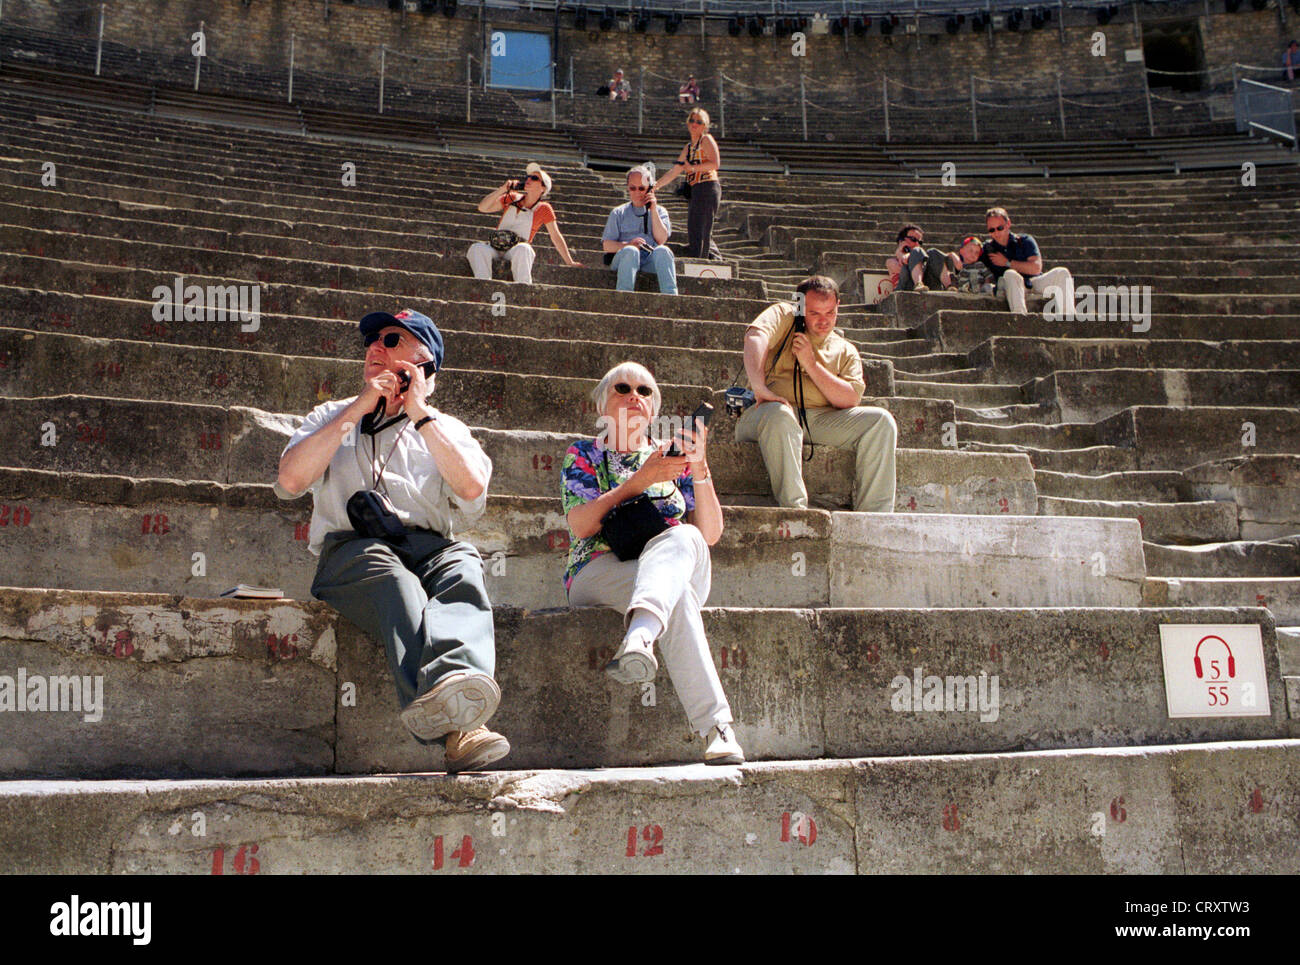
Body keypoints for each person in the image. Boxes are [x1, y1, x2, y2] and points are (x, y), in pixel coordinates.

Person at [276, 308, 509, 772]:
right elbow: (290, 480)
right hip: (352, 551)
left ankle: (456, 722)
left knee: (464, 563)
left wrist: (420, 413)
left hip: (429, 547)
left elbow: (470, 491)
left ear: (425, 367)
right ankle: (459, 723)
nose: (373, 348)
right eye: (370, 341)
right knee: (397, 583)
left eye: (390, 340)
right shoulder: (332, 415)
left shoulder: (446, 429)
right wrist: (359, 408)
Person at [561, 362, 744, 765]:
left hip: (670, 567)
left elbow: (710, 534)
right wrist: (637, 483)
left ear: (654, 409)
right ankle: (717, 728)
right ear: (602, 406)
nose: (634, 396)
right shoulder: (584, 453)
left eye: (645, 391)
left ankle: (640, 636)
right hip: (600, 571)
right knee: (673, 598)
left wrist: (699, 466)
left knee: (688, 535)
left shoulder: (668, 458)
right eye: (622, 388)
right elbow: (580, 524)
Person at [735, 276, 897, 513]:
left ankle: (875, 515)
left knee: (882, 422)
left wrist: (811, 364)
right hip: (766, 413)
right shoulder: (785, 316)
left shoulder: (845, 349)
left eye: (830, 313)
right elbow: (755, 336)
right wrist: (760, 387)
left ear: (838, 306)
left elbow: (850, 399)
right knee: (781, 415)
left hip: (820, 419)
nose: (824, 321)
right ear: (800, 308)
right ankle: (796, 509)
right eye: (814, 314)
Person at [467, 162, 581, 284]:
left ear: (543, 188)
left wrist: (570, 262)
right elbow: (483, 208)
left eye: (534, 178)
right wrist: (502, 190)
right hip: (496, 245)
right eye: (528, 177)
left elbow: (555, 235)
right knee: (476, 248)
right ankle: (485, 285)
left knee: (524, 249)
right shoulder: (511, 197)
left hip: (516, 249)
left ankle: (523, 287)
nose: (528, 179)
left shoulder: (544, 208)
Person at [654, 108, 722, 260]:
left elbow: (715, 163)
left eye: (699, 121)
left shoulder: (706, 140)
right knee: (694, 227)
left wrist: (692, 168)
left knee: (702, 227)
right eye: (692, 120)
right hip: (696, 188)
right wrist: (656, 185)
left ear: (704, 125)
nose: (694, 124)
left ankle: (705, 260)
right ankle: (705, 258)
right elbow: (676, 170)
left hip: (707, 186)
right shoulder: (689, 147)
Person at [980, 207, 1075, 316]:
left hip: (1034, 281)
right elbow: (968, 259)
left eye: (1000, 228)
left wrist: (1007, 263)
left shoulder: (1024, 240)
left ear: (1008, 224)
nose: (996, 233)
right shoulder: (987, 249)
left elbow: (1036, 268)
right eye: (992, 230)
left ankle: (1069, 318)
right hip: (1013, 287)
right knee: (1010, 274)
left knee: (1062, 272)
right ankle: (1021, 319)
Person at [602, 164, 677, 295]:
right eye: (632, 188)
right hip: (625, 259)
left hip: (649, 259)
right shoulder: (618, 213)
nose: (637, 192)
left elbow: (661, 239)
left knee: (664, 251)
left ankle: (671, 297)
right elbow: (607, 245)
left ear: (650, 189)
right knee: (631, 251)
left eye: (642, 188)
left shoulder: (660, 212)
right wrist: (629, 244)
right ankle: (624, 297)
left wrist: (653, 210)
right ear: (628, 188)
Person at [886, 223, 950, 293]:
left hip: (928, 286)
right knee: (917, 251)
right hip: (906, 289)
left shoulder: (920, 254)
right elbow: (904, 266)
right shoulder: (891, 261)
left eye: (920, 242)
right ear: (901, 241)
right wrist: (900, 253)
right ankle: (918, 284)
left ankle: (949, 286)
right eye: (913, 239)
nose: (917, 244)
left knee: (932, 252)